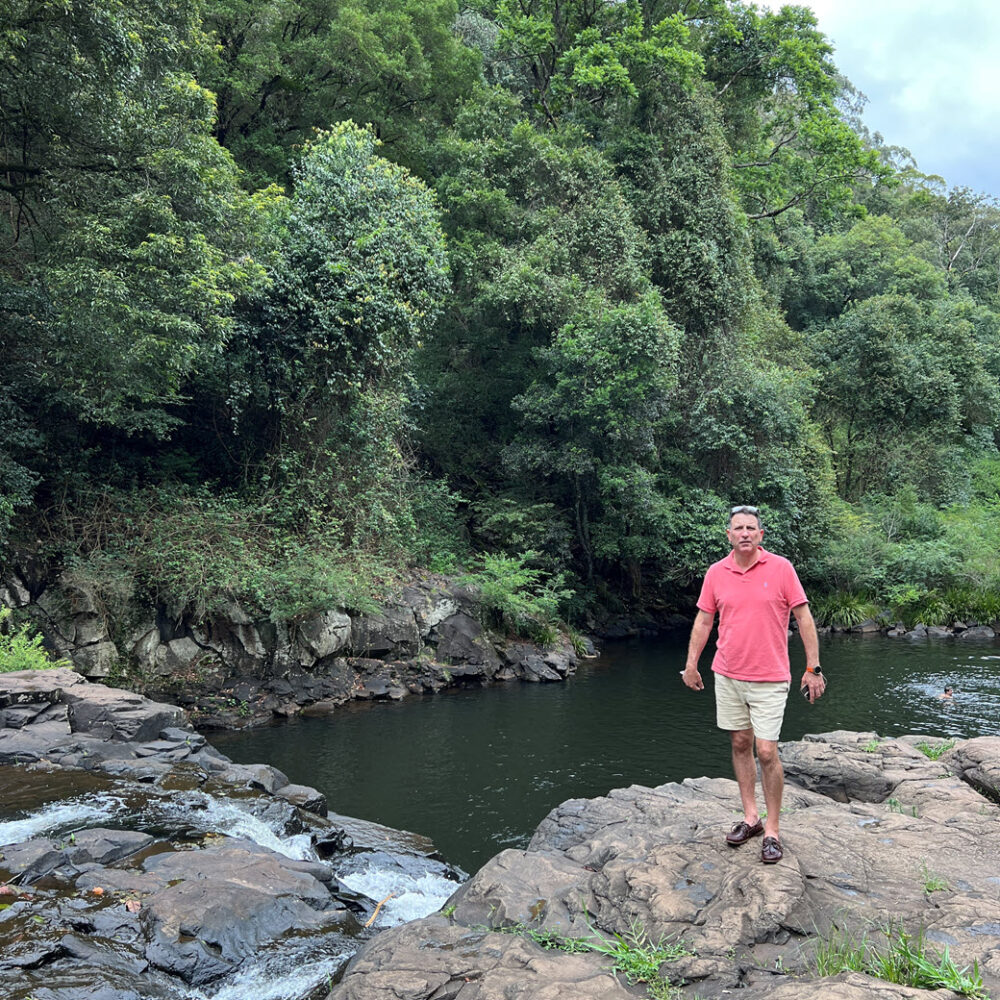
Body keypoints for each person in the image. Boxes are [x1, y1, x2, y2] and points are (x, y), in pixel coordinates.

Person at [682, 505, 824, 864]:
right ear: (729, 535)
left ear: (761, 535)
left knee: (766, 751)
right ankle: (751, 819)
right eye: (738, 528)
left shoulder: (781, 569)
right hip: (728, 674)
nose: (744, 533)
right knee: (740, 743)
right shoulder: (717, 572)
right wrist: (691, 665)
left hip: (771, 677)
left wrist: (813, 667)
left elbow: (803, 618)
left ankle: (773, 830)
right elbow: (703, 620)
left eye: (751, 528)